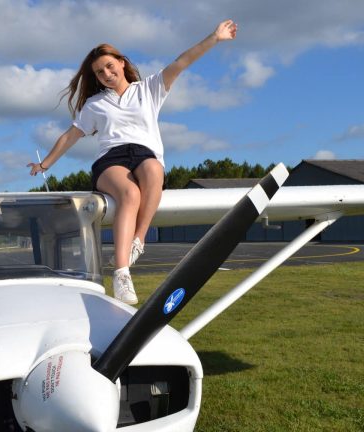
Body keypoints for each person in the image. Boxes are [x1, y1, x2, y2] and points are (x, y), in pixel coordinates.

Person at [28, 19, 238, 305]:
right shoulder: (94, 105)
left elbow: (181, 62)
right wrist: (45, 164)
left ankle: (138, 241)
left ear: (122, 63)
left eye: (109, 66)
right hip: (110, 159)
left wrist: (214, 38)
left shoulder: (149, 89)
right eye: (99, 72)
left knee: (153, 170)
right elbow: (71, 135)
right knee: (129, 194)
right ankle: (121, 273)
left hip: (145, 154)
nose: (106, 74)